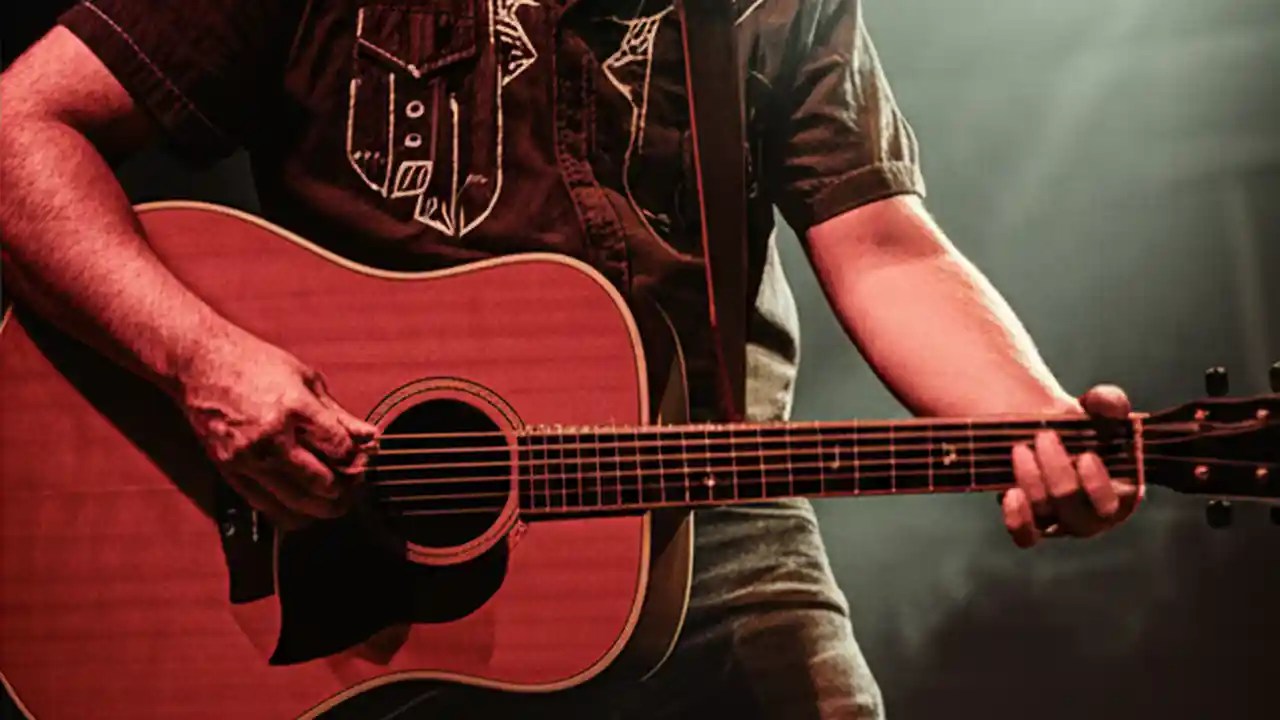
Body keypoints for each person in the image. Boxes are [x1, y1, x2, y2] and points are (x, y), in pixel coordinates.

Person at [0, 1, 1141, 717]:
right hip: (351, 545)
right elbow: (19, 131)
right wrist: (200, 361)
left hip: (708, 507)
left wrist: (1030, 422)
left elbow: (881, 241)